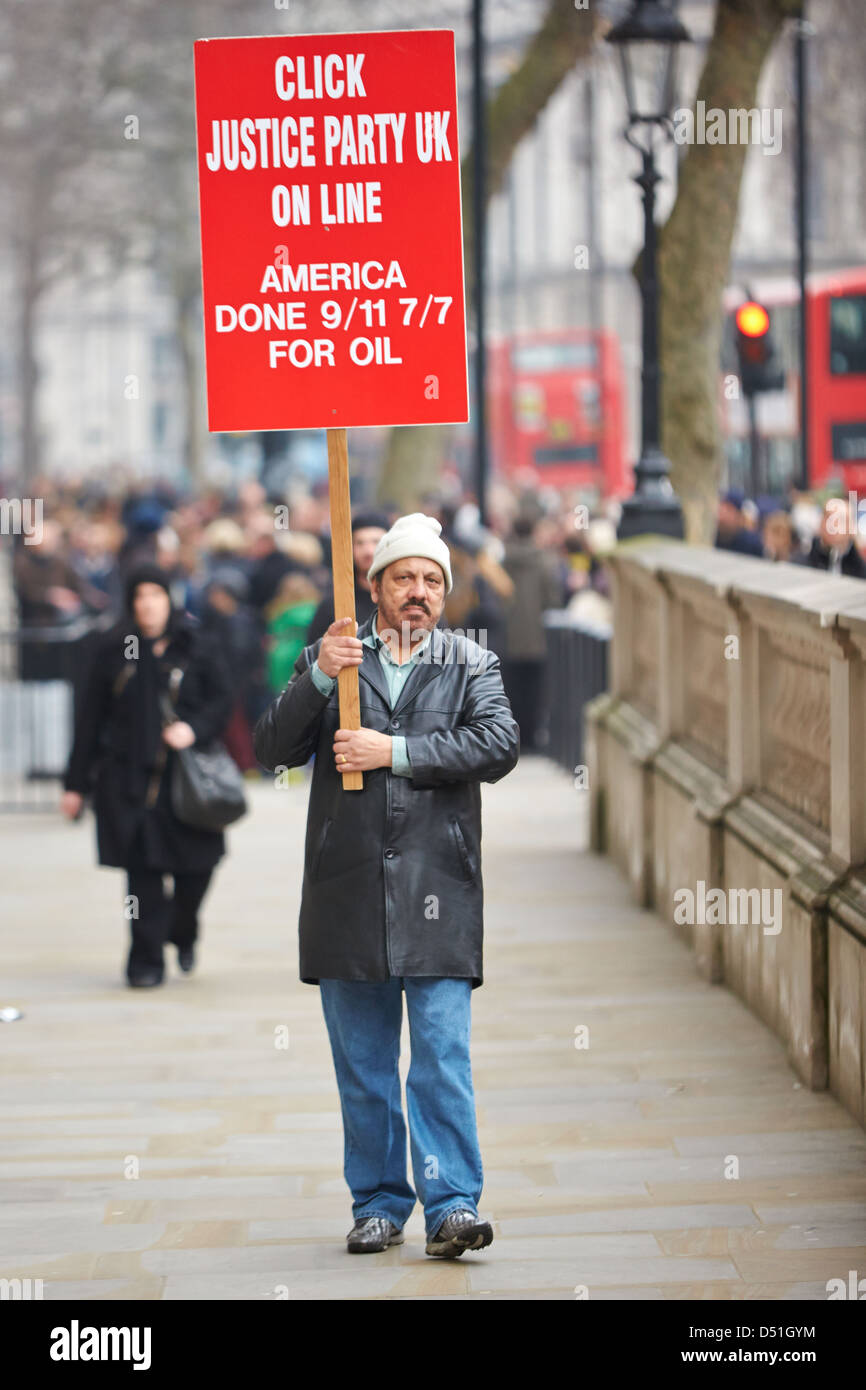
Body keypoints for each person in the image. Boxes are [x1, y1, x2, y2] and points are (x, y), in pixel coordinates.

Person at [254, 513, 520, 1258]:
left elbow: (499, 745)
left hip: (441, 889)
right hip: (347, 891)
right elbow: (270, 748)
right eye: (404, 577)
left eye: (432, 581)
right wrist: (315, 675)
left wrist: (392, 750)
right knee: (365, 1065)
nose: (418, 592)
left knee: (441, 1055)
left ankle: (452, 1206)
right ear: (374, 585)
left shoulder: (472, 664)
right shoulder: (331, 658)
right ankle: (376, 1201)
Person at [61, 563, 234, 987]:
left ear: (168, 599)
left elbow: (223, 700)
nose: (147, 605)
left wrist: (192, 729)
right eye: (139, 596)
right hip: (129, 781)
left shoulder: (196, 644)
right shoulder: (114, 649)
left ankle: (183, 930)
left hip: (188, 783)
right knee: (143, 877)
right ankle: (145, 960)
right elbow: (89, 718)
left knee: (197, 869)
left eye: (155, 594)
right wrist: (75, 784)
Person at [303, 510, 389, 645]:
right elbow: (313, 658)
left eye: (376, 542)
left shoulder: (402, 599)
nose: (368, 551)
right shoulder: (333, 605)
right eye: (360, 543)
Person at [801, 499, 866, 578]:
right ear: (821, 522)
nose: (833, 526)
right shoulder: (801, 564)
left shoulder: (860, 570)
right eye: (829, 519)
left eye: (841, 520)